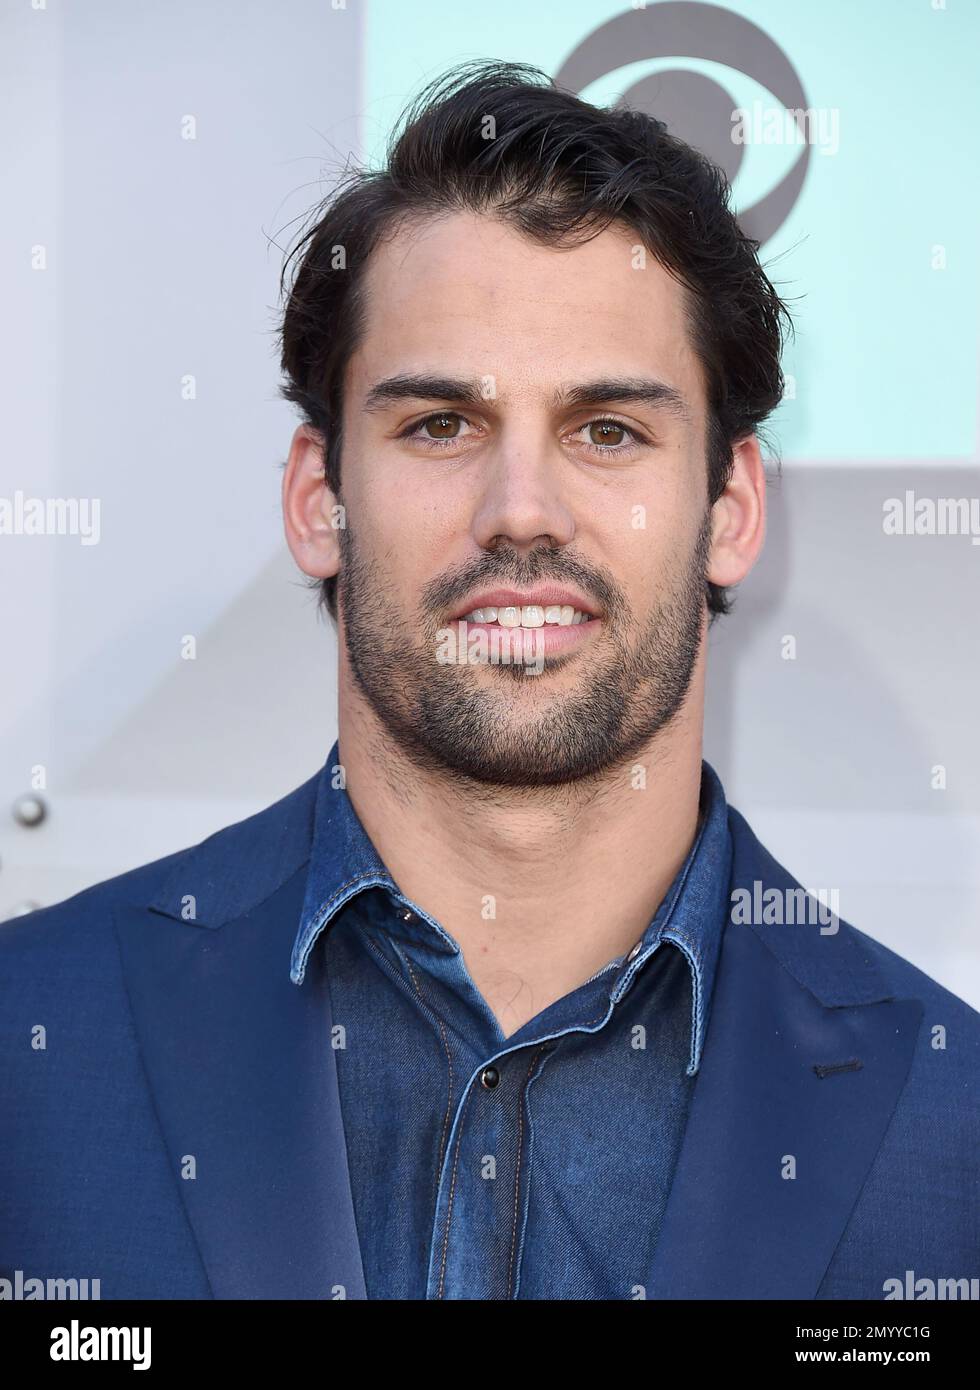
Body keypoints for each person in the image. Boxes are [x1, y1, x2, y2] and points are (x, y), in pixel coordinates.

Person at [2, 61, 977, 1303]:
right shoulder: (31, 1041)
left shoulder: (951, 1124)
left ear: (730, 508)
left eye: (606, 430)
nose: (521, 511)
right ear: (317, 499)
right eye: (440, 425)